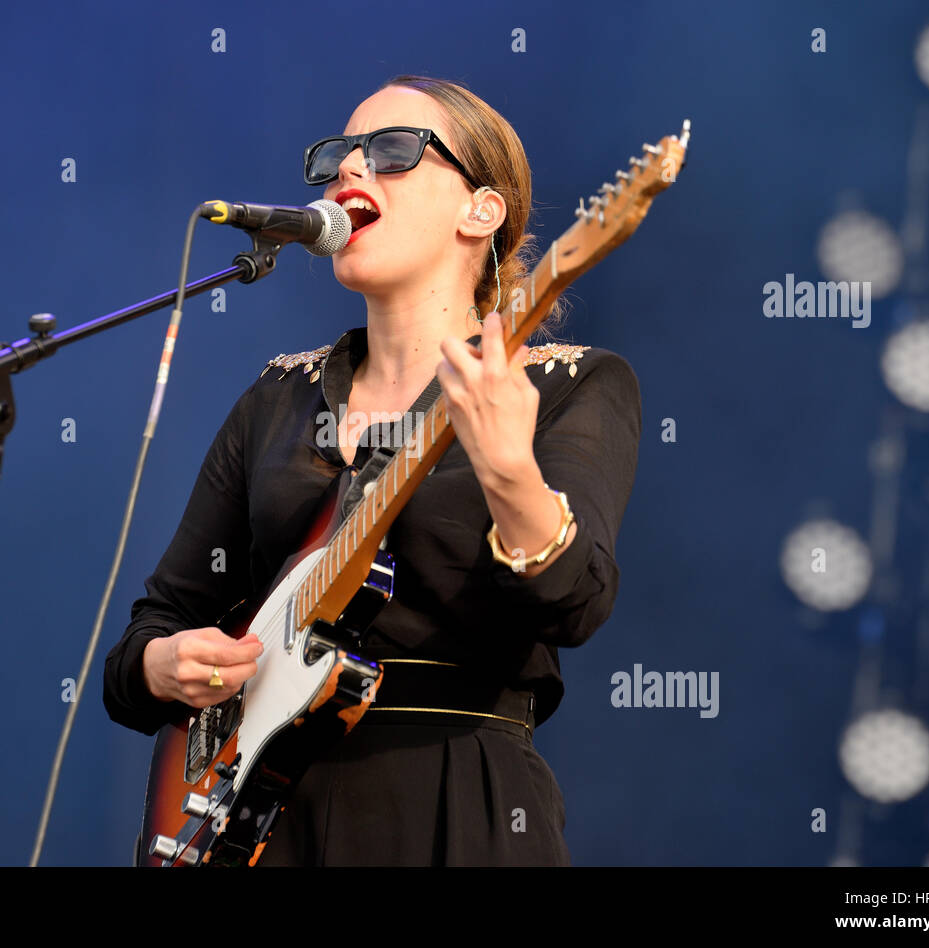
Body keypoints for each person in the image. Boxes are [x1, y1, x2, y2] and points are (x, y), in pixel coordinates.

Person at [103, 74, 641, 865]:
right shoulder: (278, 394)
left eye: (393, 152)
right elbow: (153, 628)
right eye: (338, 155)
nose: (353, 168)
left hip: (452, 804)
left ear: (481, 209)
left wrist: (507, 469)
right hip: (261, 816)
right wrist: (161, 664)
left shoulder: (566, 382)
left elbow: (576, 603)